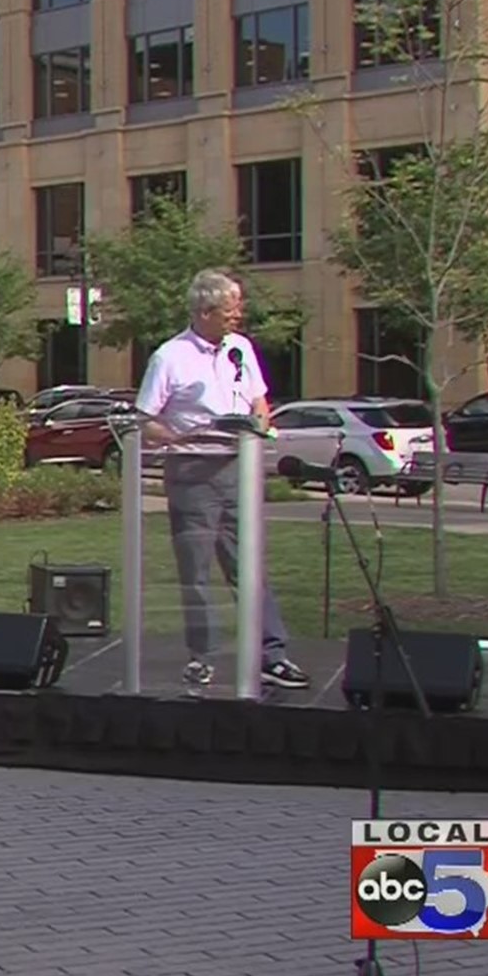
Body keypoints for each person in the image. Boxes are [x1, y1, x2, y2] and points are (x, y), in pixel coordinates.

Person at [135, 269, 310, 697]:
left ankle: (272, 655)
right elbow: (145, 421)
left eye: (238, 307)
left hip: (239, 468)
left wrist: (260, 424)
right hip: (193, 473)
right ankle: (202, 657)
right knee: (196, 572)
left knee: (248, 566)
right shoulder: (169, 357)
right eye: (230, 309)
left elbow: (258, 400)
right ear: (205, 311)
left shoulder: (241, 349)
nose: (238, 315)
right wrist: (180, 437)